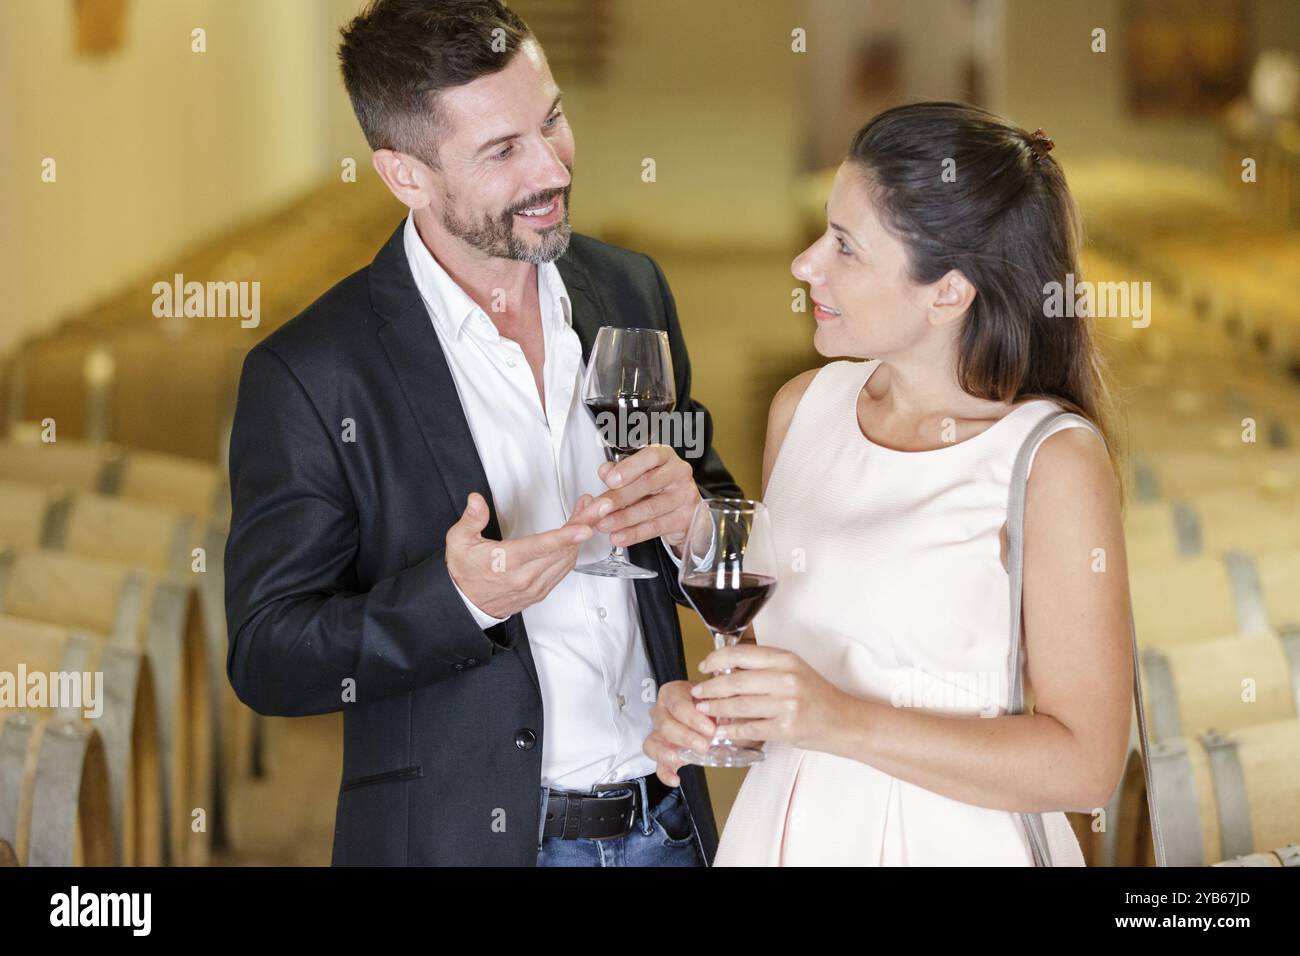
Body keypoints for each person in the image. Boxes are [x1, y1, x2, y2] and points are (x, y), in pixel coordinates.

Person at [224, 0, 741, 867]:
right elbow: (269, 653)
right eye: (503, 151)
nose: (552, 168)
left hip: (668, 828)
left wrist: (693, 523)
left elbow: (719, 513)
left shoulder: (629, 287)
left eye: (552, 120)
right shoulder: (311, 372)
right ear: (405, 175)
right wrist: (458, 600)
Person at [644, 102, 1133, 865]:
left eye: (845, 247)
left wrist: (841, 720)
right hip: (782, 837)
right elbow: (786, 665)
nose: (806, 264)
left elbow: (1086, 766)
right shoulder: (804, 408)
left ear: (948, 293)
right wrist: (709, 713)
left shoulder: (1050, 460)